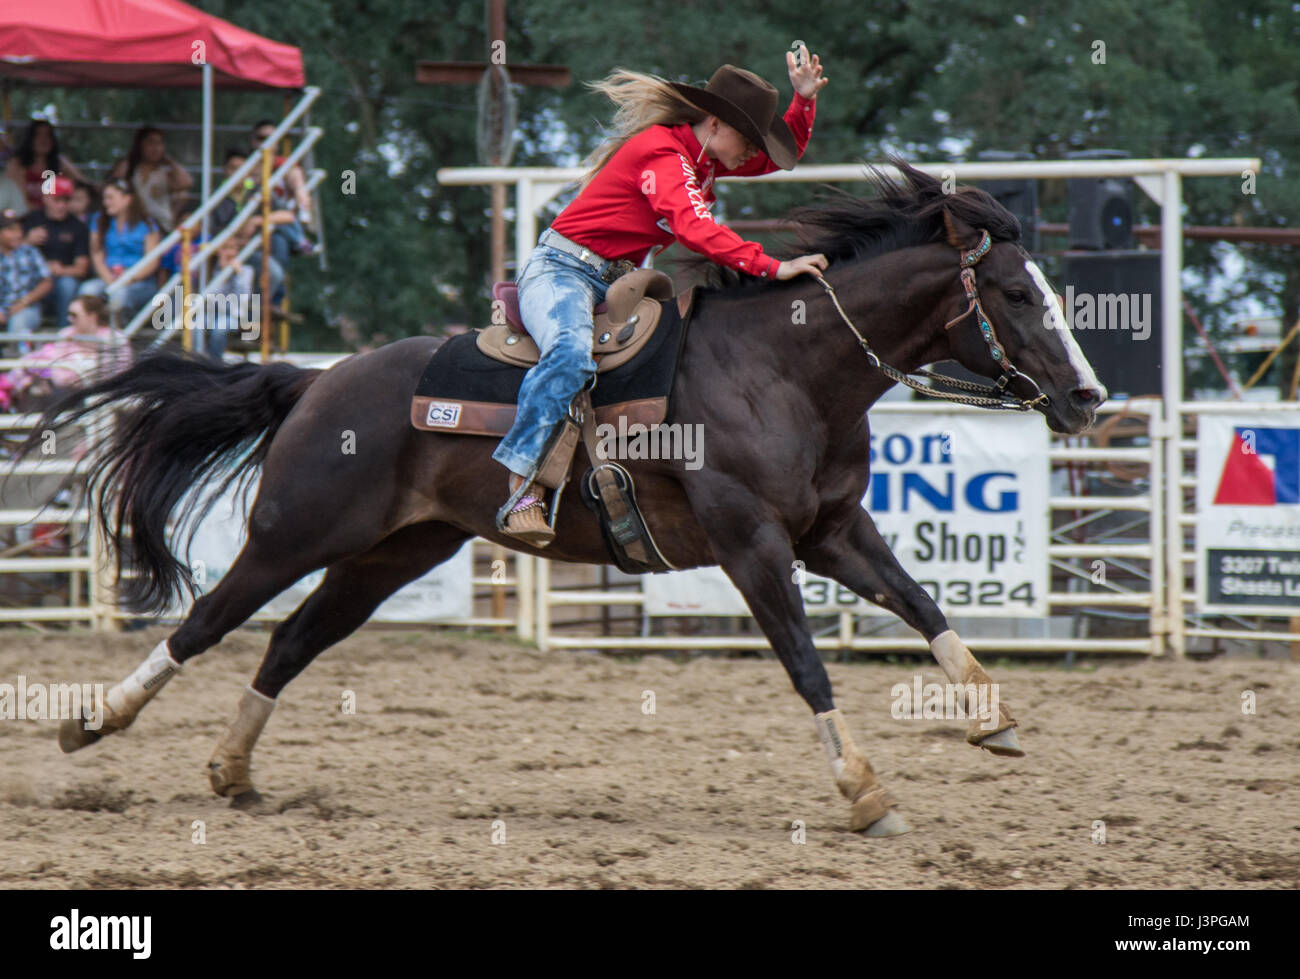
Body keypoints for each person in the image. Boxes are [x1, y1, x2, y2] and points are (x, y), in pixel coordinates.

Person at [493, 47, 829, 545]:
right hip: (562, 272)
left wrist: (802, 104)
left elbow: (779, 159)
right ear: (715, 124)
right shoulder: (664, 155)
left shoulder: (705, 158)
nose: (753, 151)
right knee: (568, 353)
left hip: (617, 281)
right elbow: (693, 228)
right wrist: (771, 266)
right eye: (749, 137)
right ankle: (521, 490)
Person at [6, 294, 131, 407]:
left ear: (92, 316)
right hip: (69, 393)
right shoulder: (66, 334)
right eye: (69, 314)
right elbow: (59, 377)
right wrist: (83, 374)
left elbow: (114, 374)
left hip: (106, 394)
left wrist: (77, 372)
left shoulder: (116, 338)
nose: (69, 319)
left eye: (74, 315)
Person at [78, 180, 161, 329]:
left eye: (110, 198)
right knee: (87, 290)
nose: (106, 202)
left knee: (120, 295)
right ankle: (91, 334)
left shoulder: (147, 224)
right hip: (109, 279)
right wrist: (109, 279)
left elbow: (152, 261)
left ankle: (117, 338)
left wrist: (128, 278)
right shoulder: (99, 220)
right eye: (104, 198)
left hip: (139, 282)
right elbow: (97, 255)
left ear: (127, 199)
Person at [22, 176, 89, 329]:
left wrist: (60, 270)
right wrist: (27, 241)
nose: (62, 206)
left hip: (61, 280)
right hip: (34, 280)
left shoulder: (78, 227)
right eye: (57, 200)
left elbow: (82, 268)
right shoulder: (31, 220)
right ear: (46, 198)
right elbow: (9, 253)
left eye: (66, 201)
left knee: (67, 284)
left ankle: (64, 333)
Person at [110, 127, 193, 232]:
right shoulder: (131, 169)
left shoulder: (165, 172)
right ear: (140, 145)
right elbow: (114, 183)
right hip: (134, 225)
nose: (155, 148)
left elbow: (187, 182)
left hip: (161, 225)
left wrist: (168, 160)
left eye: (159, 143)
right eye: (151, 143)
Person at [4, 121, 90, 213]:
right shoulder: (16, 164)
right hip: (26, 217)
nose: (43, 139)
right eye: (38, 135)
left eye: (48, 135)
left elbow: (83, 184)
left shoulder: (61, 162)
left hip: (57, 216)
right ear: (30, 139)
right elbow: (18, 202)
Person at [0, 213, 52, 348]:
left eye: (19, 229)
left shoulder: (30, 251)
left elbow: (47, 282)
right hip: (2, 307)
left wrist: (24, 302)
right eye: (11, 230)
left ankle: (16, 365)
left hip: (27, 307)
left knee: (19, 323)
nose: (17, 234)